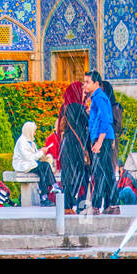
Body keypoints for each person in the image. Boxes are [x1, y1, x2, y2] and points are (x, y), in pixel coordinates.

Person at [83, 70, 118, 214]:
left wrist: (99, 141)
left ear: (96, 83)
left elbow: (106, 119)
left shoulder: (98, 97)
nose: (84, 85)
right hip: (102, 138)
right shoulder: (97, 97)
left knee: (99, 172)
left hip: (102, 138)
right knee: (107, 172)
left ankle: (96, 206)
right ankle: (113, 205)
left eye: (87, 82)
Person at [56, 82, 90, 213]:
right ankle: (81, 205)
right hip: (76, 145)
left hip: (67, 145)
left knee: (69, 176)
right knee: (83, 176)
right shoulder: (78, 107)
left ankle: (68, 206)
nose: (84, 93)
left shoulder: (64, 107)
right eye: (81, 91)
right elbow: (89, 122)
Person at [13, 121, 59, 204]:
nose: (34, 134)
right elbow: (29, 157)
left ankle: (45, 194)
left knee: (43, 168)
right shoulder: (22, 142)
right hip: (23, 165)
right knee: (43, 167)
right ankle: (51, 187)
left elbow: (34, 155)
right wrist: (41, 152)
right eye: (34, 131)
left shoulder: (31, 142)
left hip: (30, 164)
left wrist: (40, 152)